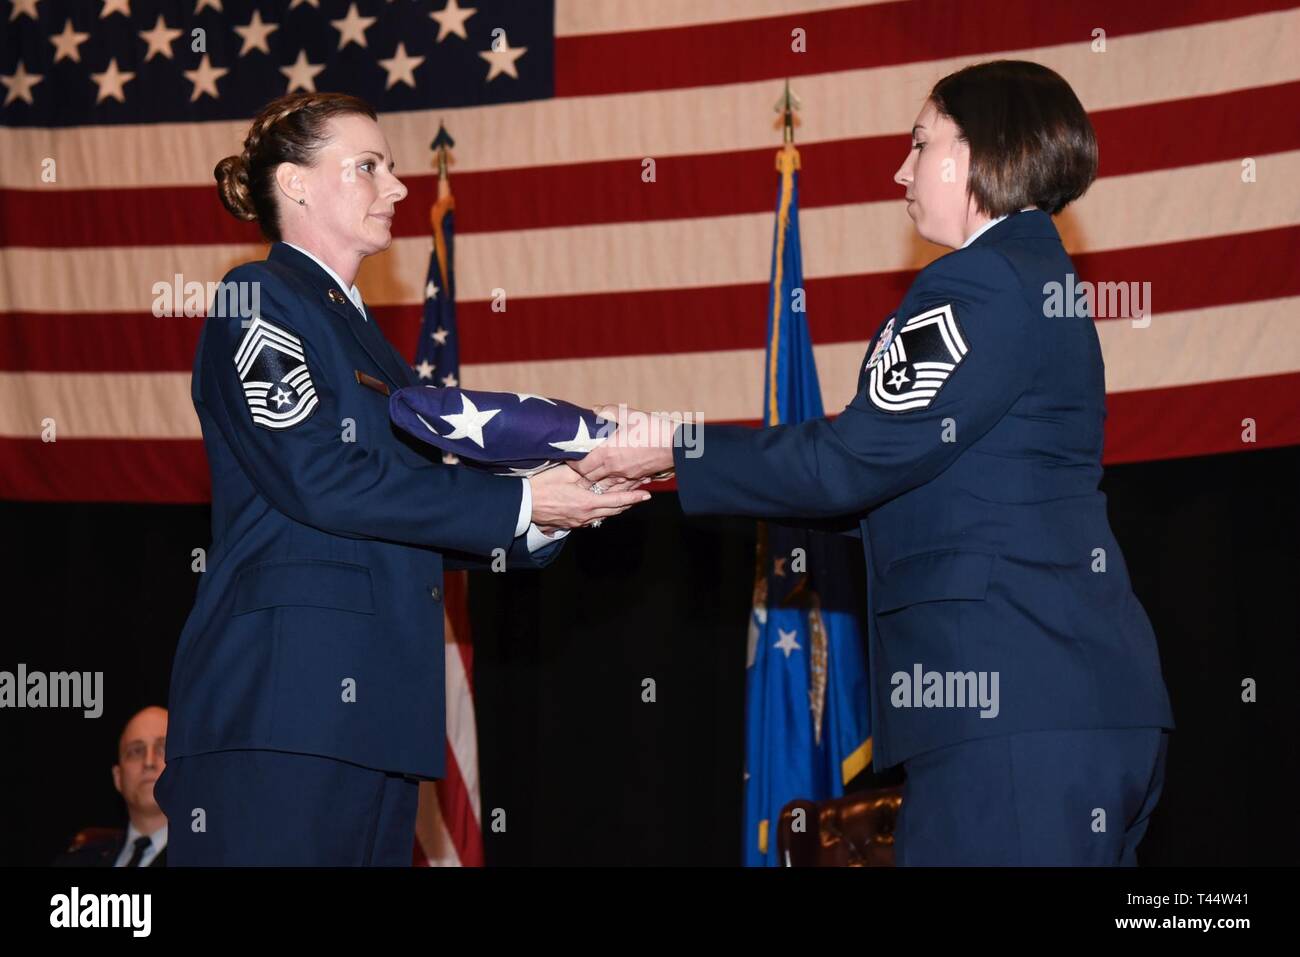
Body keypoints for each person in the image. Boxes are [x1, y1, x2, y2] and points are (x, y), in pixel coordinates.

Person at [575, 61, 1175, 866]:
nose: (902, 168)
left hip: (1011, 718)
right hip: (1067, 705)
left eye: (921, 143)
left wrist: (671, 446)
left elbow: (853, 458)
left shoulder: (980, 283)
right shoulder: (1037, 280)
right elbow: (910, 481)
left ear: (976, 153)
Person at [154, 92, 647, 866]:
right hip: (286, 714)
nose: (398, 186)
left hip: (374, 718)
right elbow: (320, 478)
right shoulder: (259, 300)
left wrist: (554, 507)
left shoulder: (367, 344)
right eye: (369, 166)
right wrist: (519, 498)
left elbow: (411, 510)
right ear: (296, 184)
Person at [53, 706, 169, 867]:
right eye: (136, 751)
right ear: (118, 777)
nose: (148, 762)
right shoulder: (74, 862)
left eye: (163, 748)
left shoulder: (209, 857)